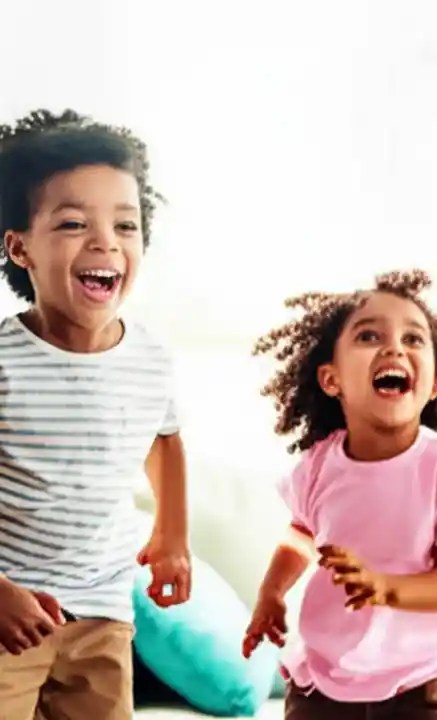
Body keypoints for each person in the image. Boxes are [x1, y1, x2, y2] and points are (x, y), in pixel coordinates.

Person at [0, 108, 191, 720]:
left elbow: (164, 441)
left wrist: (172, 538)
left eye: (126, 225)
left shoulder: (151, 358)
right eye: (74, 222)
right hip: (9, 610)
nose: (105, 241)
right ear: (19, 247)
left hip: (104, 610)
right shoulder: (5, 360)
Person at [243, 269, 437, 720]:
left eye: (414, 339)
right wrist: (272, 590)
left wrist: (386, 588)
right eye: (368, 336)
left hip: (420, 681)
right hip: (322, 680)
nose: (395, 347)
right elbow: (300, 533)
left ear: (434, 384)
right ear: (331, 379)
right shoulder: (319, 464)